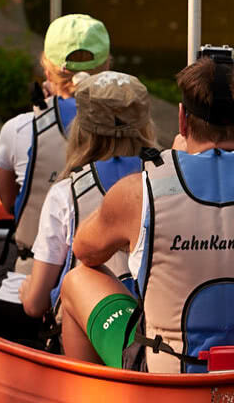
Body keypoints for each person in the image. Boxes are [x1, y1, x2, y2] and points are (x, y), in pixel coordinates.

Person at [58, 49, 234, 372]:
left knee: (77, 279)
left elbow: (85, 250)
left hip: (171, 381)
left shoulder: (138, 191)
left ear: (182, 119)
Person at [0, 13, 111, 346]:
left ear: (47, 69)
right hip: (109, 290)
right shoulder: (134, 136)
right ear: (108, 67)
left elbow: (9, 202)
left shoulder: (19, 129)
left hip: (32, 284)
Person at [17, 71, 158, 342]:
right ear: (145, 125)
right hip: (154, 333)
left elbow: (35, 305)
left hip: (90, 340)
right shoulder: (168, 184)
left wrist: (27, 292)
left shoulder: (65, 194)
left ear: (81, 128)